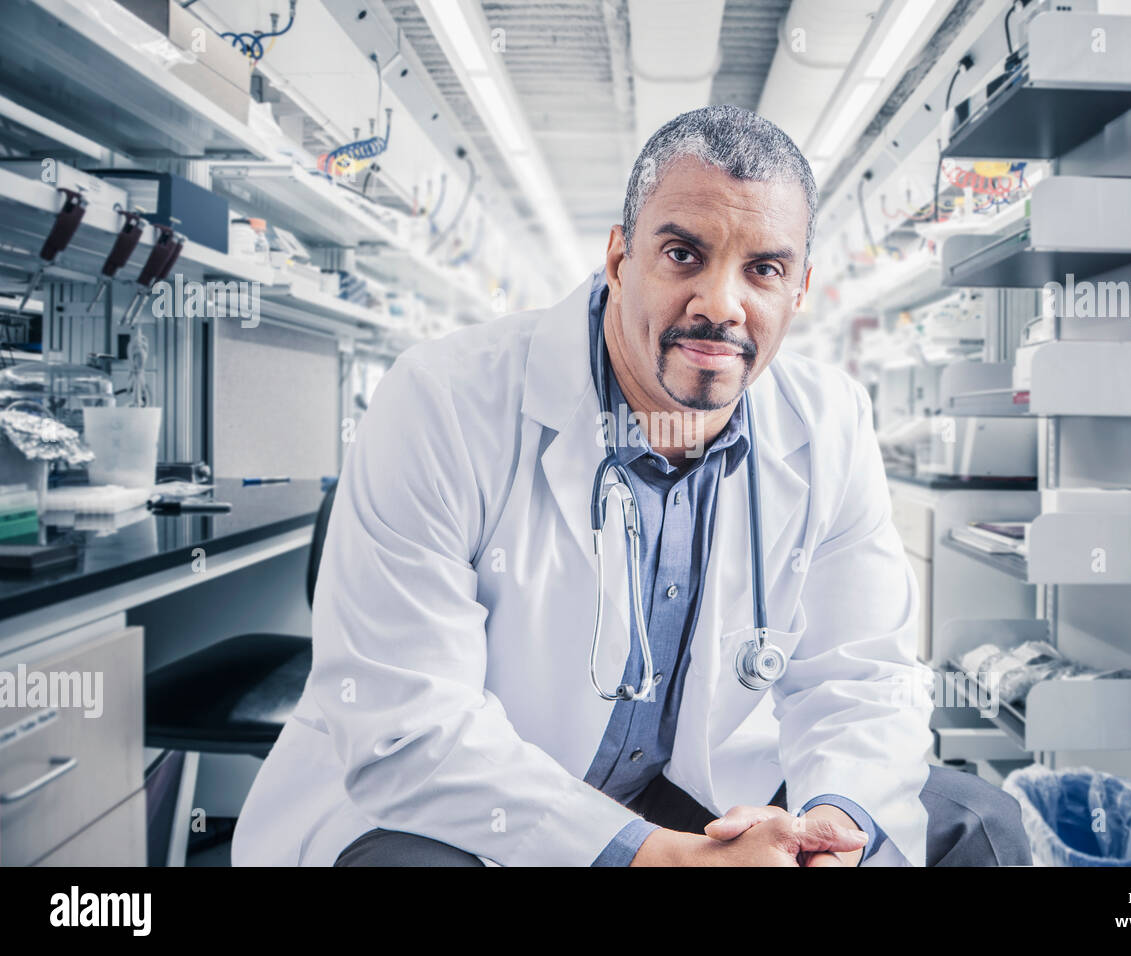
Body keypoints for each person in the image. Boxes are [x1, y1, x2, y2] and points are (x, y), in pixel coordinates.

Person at [232, 105, 1031, 867]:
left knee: (979, 824)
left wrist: (835, 823)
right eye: (684, 253)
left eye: (763, 269)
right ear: (620, 259)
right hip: (474, 803)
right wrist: (651, 856)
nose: (721, 305)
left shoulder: (830, 422)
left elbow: (860, 678)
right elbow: (409, 726)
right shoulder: (443, 399)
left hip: (697, 788)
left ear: (799, 290)